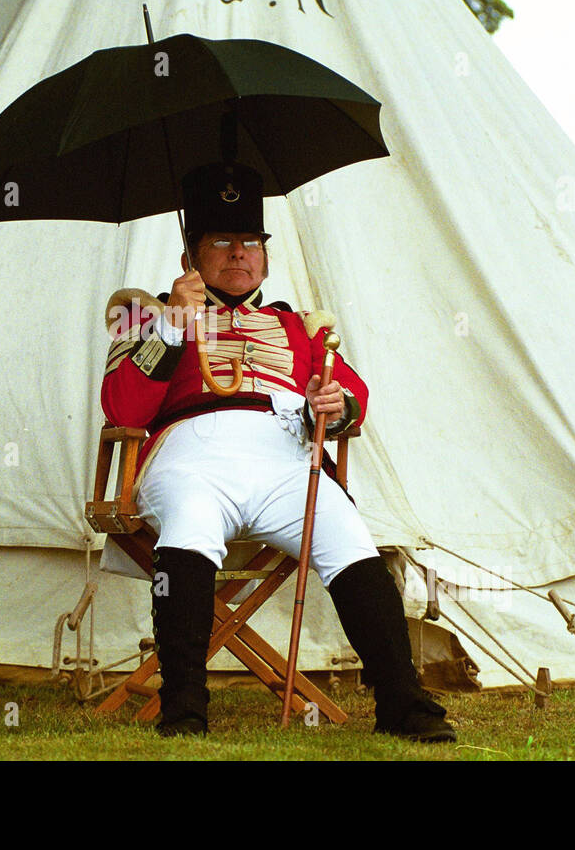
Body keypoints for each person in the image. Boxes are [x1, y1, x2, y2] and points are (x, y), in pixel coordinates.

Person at [99, 160, 456, 742]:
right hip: (190, 454)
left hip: (285, 455)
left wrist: (333, 402)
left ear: (264, 255)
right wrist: (172, 326)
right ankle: (184, 707)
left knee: (348, 537)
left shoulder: (299, 327)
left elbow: (351, 392)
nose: (239, 254)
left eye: (250, 243)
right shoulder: (149, 315)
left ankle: (404, 703)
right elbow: (123, 410)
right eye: (222, 241)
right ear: (192, 256)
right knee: (189, 521)